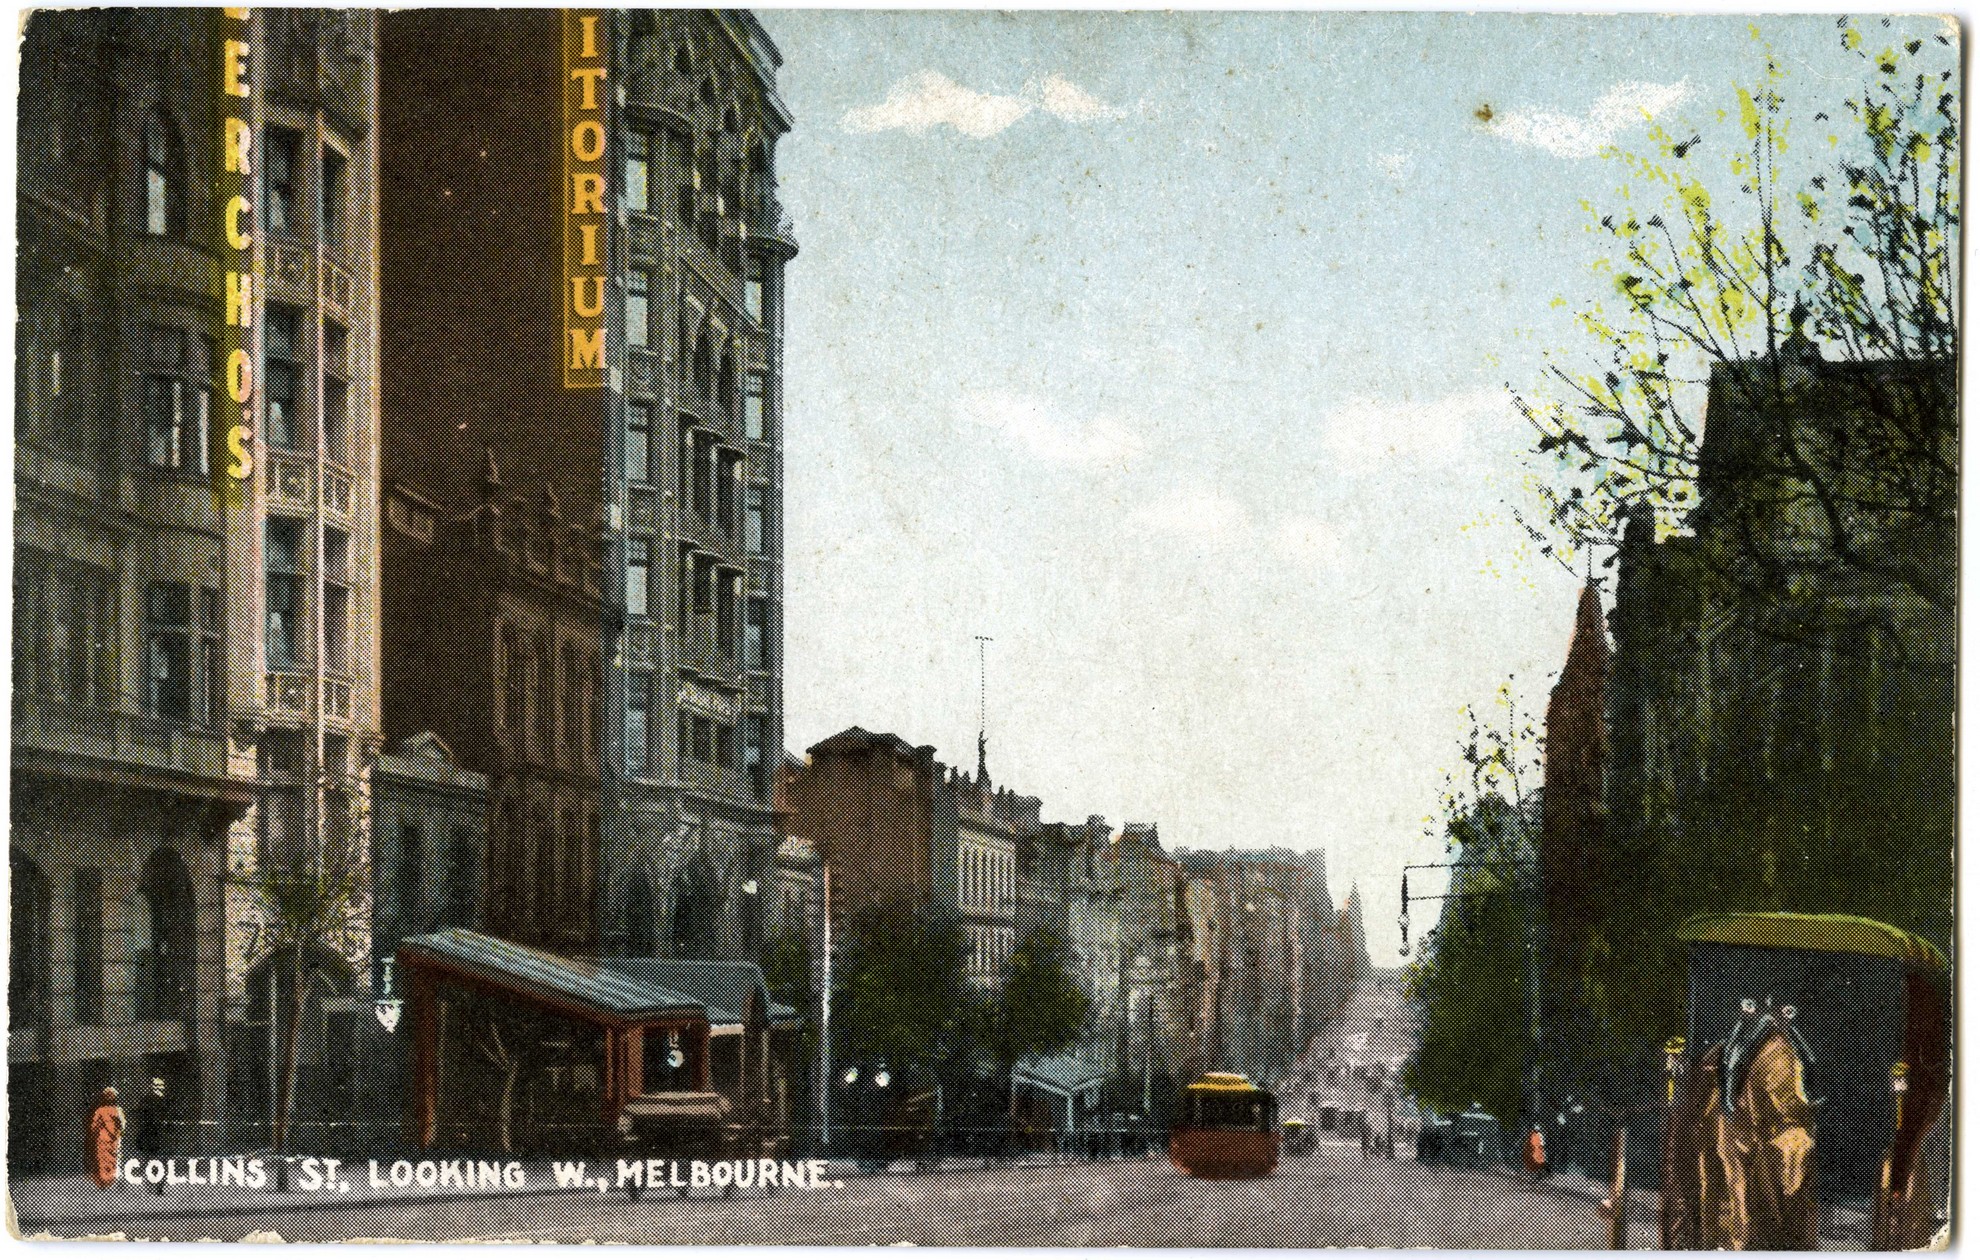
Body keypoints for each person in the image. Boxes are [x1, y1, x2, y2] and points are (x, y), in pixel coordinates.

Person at [130, 1078, 169, 1194]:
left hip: (150, 1136)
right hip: (155, 1136)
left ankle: (152, 1185)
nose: (160, 1088)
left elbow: (138, 1115)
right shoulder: (160, 1101)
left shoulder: (146, 1100)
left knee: (150, 1161)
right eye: (158, 1086)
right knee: (158, 1161)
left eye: (161, 1085)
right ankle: (157, 1186)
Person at [89, 1087, 125, 1188]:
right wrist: (119, 1134)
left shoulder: (99, 1111)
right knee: (113, 1159)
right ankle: (110, 1180)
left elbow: (94, 1126)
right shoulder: (118, 1110)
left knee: (103, 1159)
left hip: (102, 1139)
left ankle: (105, 1180)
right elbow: (123, 1125)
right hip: (114, 1139)